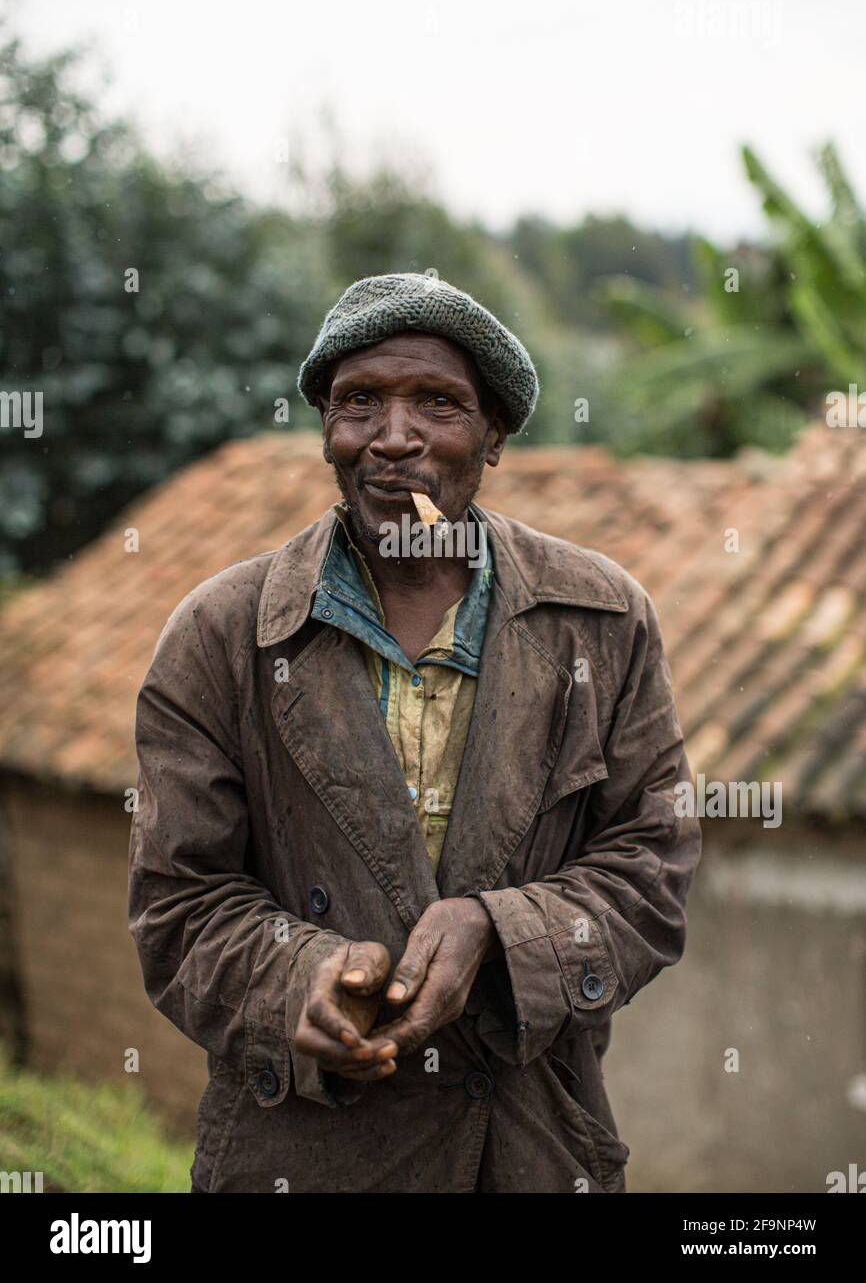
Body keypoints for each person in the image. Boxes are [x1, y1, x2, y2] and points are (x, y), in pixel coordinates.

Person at [128, 271, 701, 1193]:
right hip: (301, 1157)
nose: (395, 440)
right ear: (326, 429)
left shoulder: (601, 619)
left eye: (439, 403)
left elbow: (653, 863)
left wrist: (499, 931)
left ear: (495, 436)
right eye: (361, 403)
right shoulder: (221, 635)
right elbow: (178, 901)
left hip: (531, 1147)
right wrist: (293, 981)